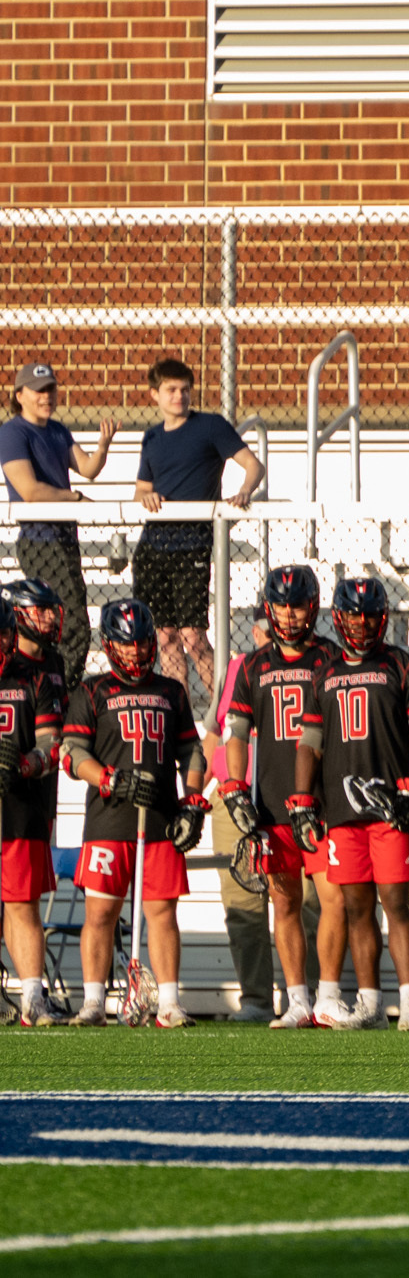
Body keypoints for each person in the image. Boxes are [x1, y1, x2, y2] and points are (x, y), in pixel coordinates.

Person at [293, 577, 409, 1032]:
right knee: (357, 906)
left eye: (368, 614)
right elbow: (310, 744)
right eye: (353, 614)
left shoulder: (402, 664)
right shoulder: (325, 672)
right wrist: (301, 800)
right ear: (338, 616)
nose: (360, 622)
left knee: (396, 901)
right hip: (343, 808)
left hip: (389, 805)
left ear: (382, 617)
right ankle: (371, 1002)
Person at [63, 599, 208, 1027]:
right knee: (101, 913)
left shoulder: (171, 691)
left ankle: (168, 1002)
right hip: (110, 819)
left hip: (160, 820)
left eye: (142, 644)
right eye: (126, 645)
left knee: (163, 913)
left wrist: (192, 801)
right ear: (109, 646)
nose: (135, 653)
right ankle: (92, 1002)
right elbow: (72, 755)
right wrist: (111, 780)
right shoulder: (92, 691)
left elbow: (191, 751)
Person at [221, 566, 345, 1029]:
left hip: (324, 802)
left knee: (333, 901)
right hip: (272, 802)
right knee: (285, 902)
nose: (289, 615)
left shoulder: (331, 658)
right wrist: (235, 784)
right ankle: (296, 1000)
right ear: (268, 608)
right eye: (281, 605)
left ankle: (328, 996)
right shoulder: (253, 665)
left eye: (296, 605)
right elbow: (236, 731)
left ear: (312, 607)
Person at [131, 357, 263, 708]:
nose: (180, 396)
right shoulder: (152, 437)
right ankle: (180, 719)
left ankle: (227, 710)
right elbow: (140, 490)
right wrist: (148, 496)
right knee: (166, 637)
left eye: (185, 390)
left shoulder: (210, 427)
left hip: (193, 544)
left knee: (193, 635)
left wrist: (245, 490)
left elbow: (253, 465)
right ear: (154, 394)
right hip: (154, 546)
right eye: (172, 390)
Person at [0, 362, 116, 685]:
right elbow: (29, 491)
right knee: (72, 625)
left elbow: (89, 468)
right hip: (40, 540)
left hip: (64, 538)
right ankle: (58, 693)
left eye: (50, 389)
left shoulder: (58, 430)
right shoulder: (12, 432)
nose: (46, 396)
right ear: (20, 395)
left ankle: (51, 691)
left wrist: (103, 446)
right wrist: (75, 499)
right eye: (38, 391)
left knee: (61, 625)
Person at [202, 610, 274, 1021]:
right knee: (242, 902)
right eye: (265, 627)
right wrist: (195, 793)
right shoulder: (237, 668)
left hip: (285, 797)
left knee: (308, 902)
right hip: (234, 797)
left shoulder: (315, 666)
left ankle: (317, 995)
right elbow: (215, 732)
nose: (270, 634)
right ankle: (256, 1000)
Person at [0, 603, 61, 1026]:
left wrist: (24, 763)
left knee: (23, 904)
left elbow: (51, 745)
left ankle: (33, 999)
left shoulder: (34, 678)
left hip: (19, 806)